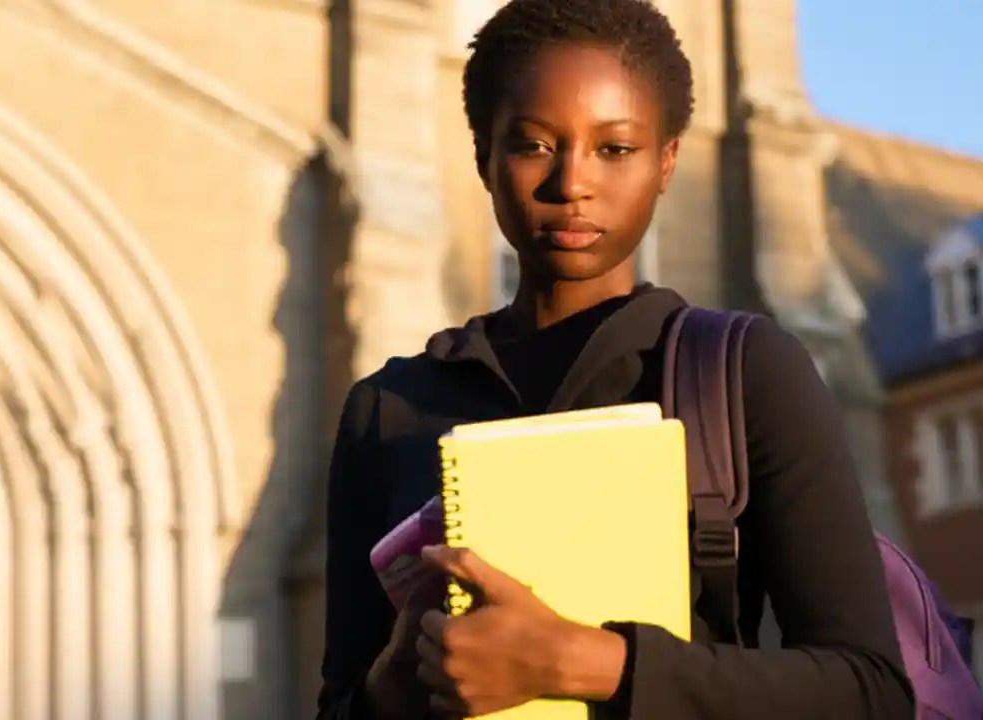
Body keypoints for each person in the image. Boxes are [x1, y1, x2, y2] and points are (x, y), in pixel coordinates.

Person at [315, 0, 915, 717]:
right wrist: (399, 676)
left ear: (667, 161)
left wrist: (583, 662)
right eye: (534, 144)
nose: (573, 183)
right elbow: (341, 702)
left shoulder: (745, 372)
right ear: (483, 156)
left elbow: (871, 689)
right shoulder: (385, 409)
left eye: (615, 148)